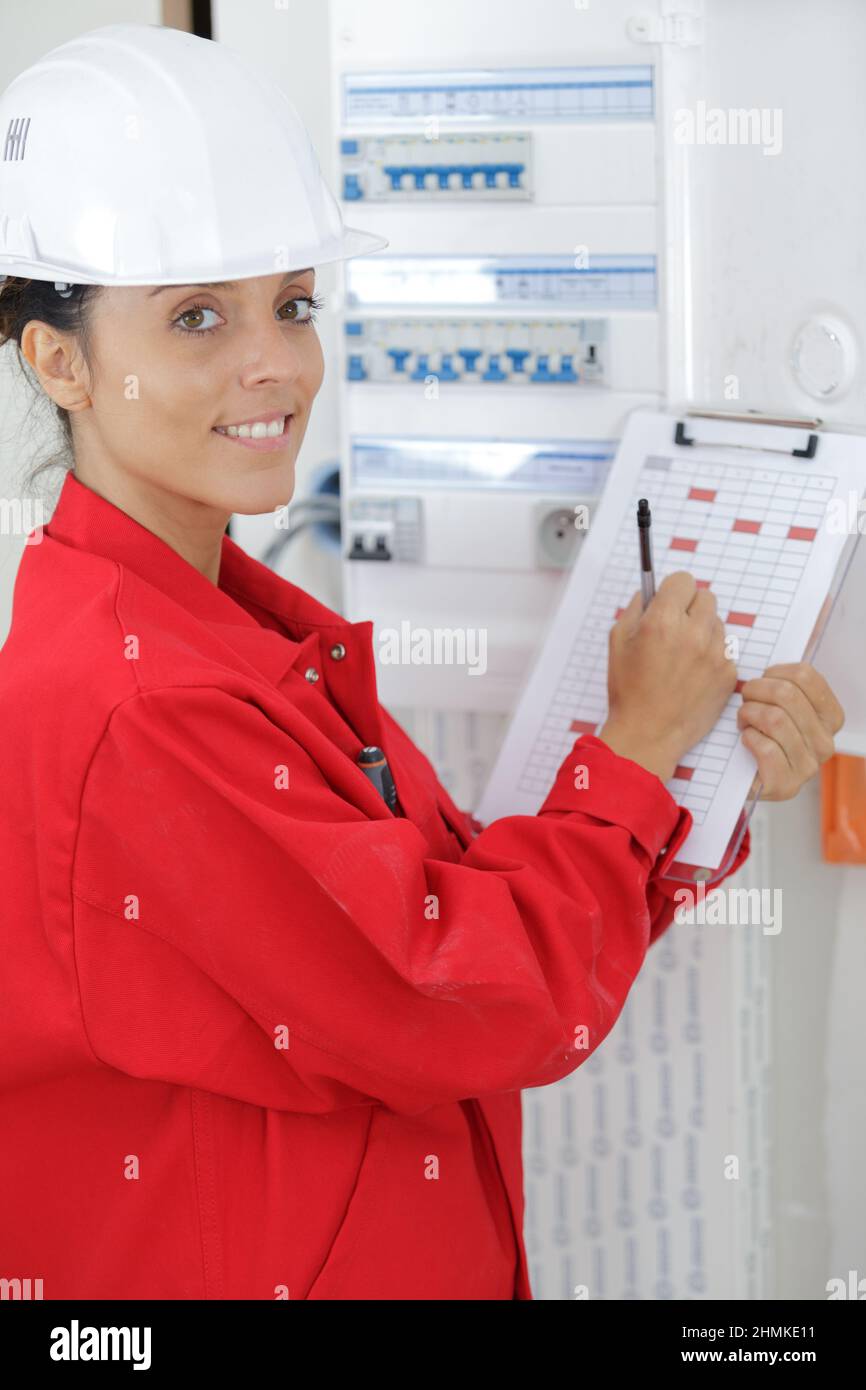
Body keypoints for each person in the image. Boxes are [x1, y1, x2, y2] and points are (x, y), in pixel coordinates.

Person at [0, 24, 843, 1302]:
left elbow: (445, 910)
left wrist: (689, 766)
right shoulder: (144, 704)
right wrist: (630, 755)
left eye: (291, 304)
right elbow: (452, 995)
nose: (273, 362)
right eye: (194, 320)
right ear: (58, 359)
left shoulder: (223, 630)